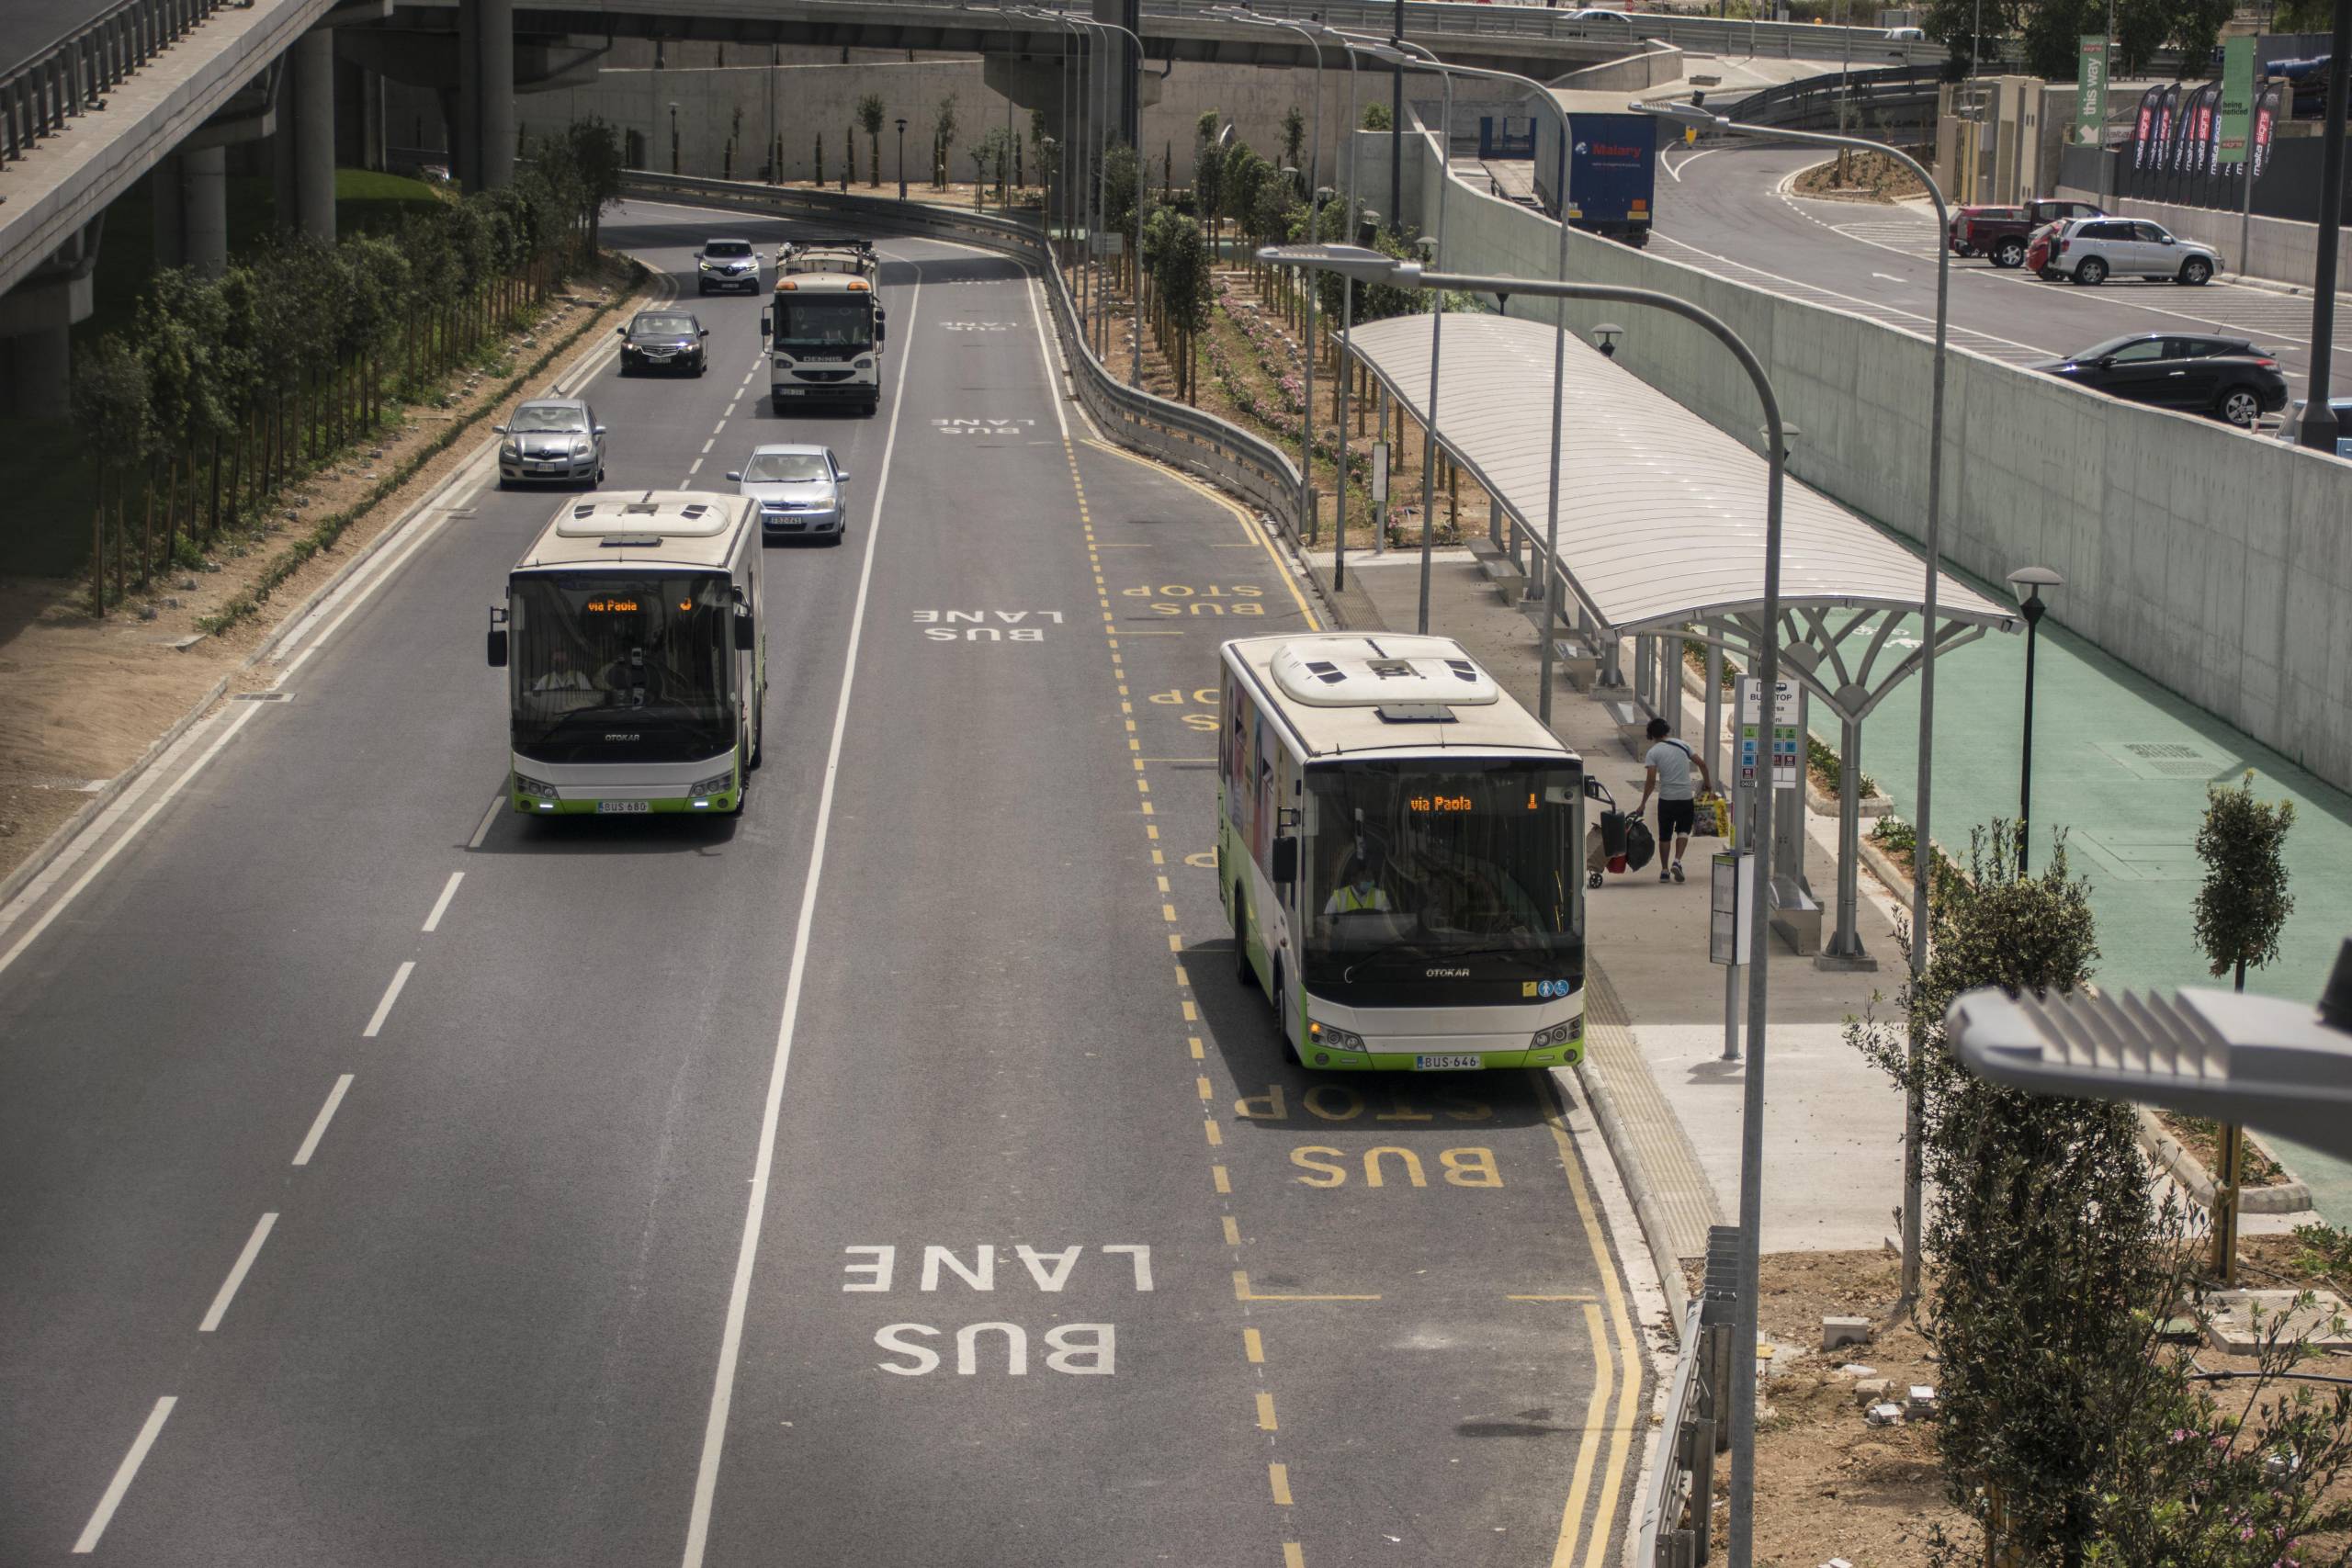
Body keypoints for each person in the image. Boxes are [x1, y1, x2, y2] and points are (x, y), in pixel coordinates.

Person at [1634, 716, 1711, 884]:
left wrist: (1643, 803)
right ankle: (1677, 860)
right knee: (1683, 831)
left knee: (1665, 835)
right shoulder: (1683, 745)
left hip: (1667, 799)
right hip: (1685, 797)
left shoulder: (1653, 753)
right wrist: (1708, 784)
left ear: (1651, 735)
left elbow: (1651, 780)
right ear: (1667, 730)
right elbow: (1702, 764)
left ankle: (1664, 870)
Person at [1323, 855, 1393, 915]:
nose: (1368, 881)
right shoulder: (1338, 897)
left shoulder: (1380, 896)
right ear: (1353, 879)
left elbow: (1389, 921)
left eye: (1370, 877)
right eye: (1364, 877)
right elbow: (1328, 923)